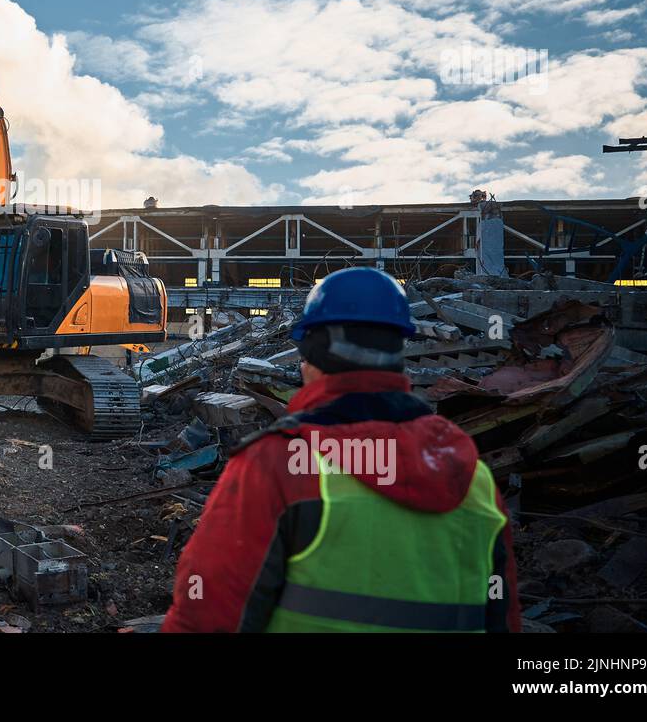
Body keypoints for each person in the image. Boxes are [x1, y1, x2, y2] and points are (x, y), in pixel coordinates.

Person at [161, 267, 520, 633]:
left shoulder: (277, 466)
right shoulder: (472, 477)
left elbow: (206, 617)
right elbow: (503, 619)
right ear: (401, 350)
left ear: (313, 355)